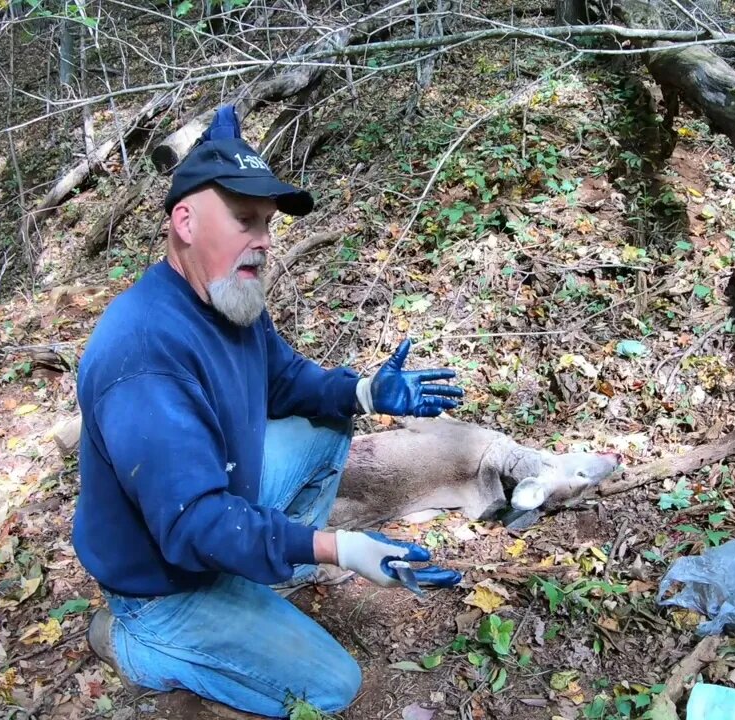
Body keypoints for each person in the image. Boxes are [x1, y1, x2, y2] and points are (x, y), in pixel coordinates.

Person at [71, 106, 464, 718]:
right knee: (332, 685)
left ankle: (264, 569)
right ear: (185, 222)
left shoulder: (228, 297)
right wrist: (339, 547)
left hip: (216, 505)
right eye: (244, 220)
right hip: (162, 579)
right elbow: (195, 523)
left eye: (267, 223)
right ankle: (135, 642)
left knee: (325, 427)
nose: (263, 240)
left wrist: (365, 393)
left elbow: (282, 380)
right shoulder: (144, 352)